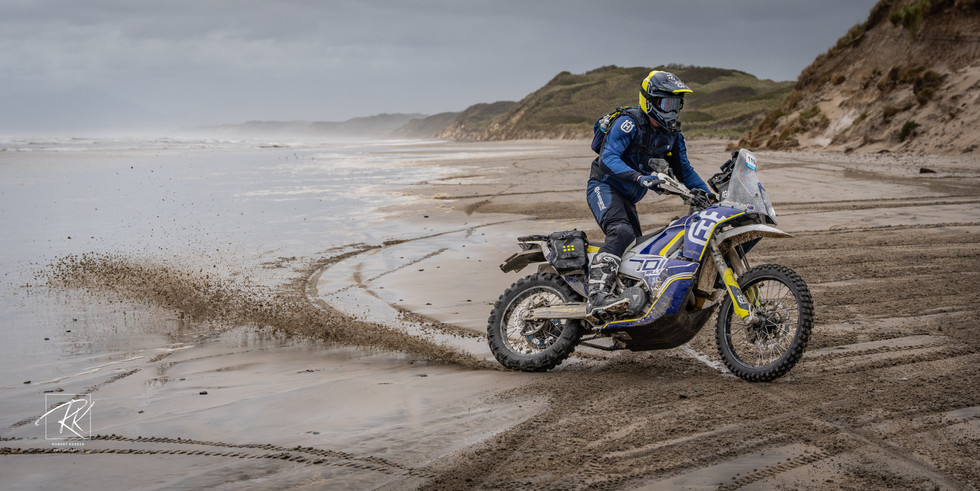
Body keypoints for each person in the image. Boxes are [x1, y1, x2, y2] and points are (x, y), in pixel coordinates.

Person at [585, 70, 715, 319]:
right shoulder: (628, 122)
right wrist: (640, 177)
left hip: (628, 197)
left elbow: (684, 170)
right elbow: (608, 157)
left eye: (677, 105)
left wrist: (709, 197)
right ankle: (597, 297)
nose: (672, 112)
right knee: (621, 233)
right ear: (650, 100)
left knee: (636, 248)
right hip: (603, 187)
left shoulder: (673, 135)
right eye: (667, 104)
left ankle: (625, 300)